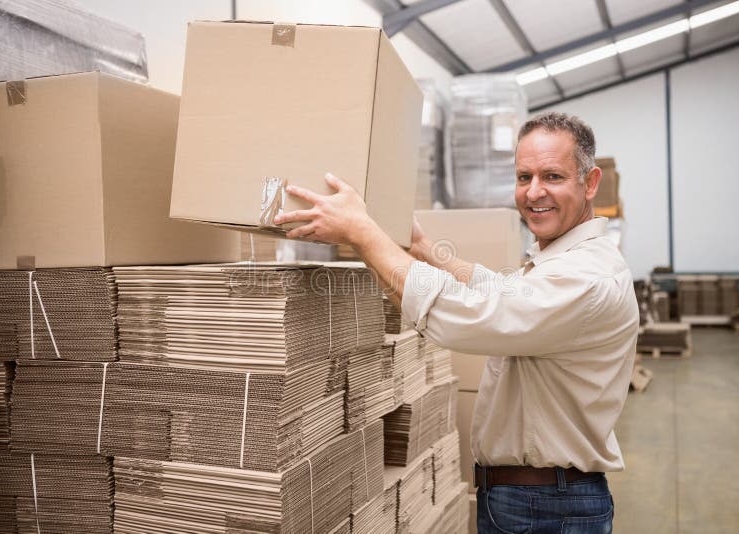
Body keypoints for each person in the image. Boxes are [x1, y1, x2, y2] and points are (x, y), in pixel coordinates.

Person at [273, 111, 639, 534]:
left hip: (546, 508)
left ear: (590, 183)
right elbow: (501, 292)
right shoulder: (564, 262)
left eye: (552, 176)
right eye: (524, 177)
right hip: (536, 500)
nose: (534, 191)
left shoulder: (585, 277)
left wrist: (363, 233)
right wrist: (424, 249)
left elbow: (466, 314)